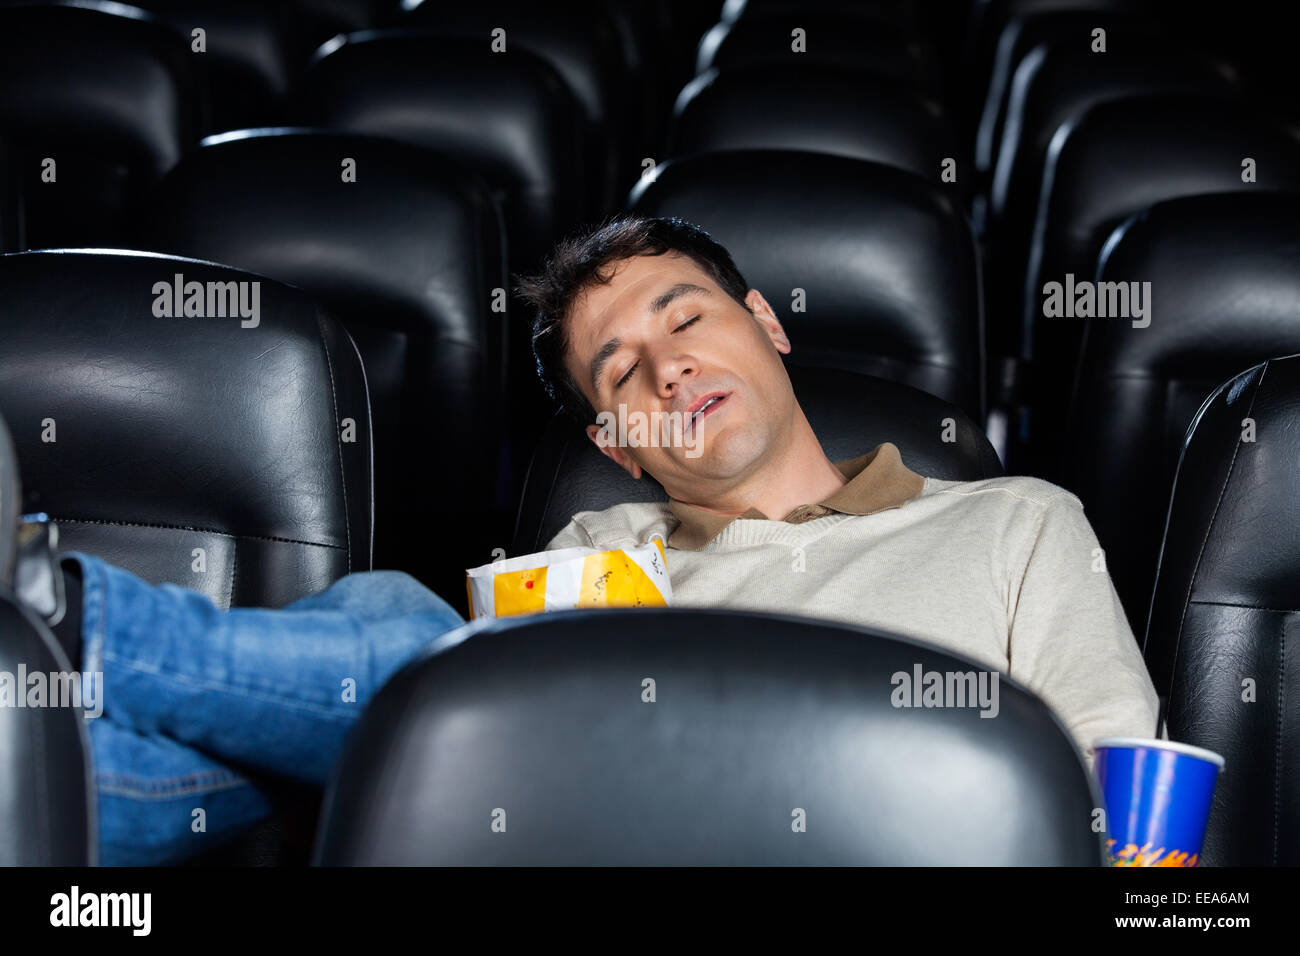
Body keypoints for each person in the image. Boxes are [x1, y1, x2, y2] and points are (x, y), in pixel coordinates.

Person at [7, 214, 1158, 866]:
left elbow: (1132, 820)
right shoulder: (600, 550)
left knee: (403, 644)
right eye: (622, 371)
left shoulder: (1016, 520)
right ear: (617, 439)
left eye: (687, 316)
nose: (670, 367)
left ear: (762, 324)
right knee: (410, 636)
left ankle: (64, 617)